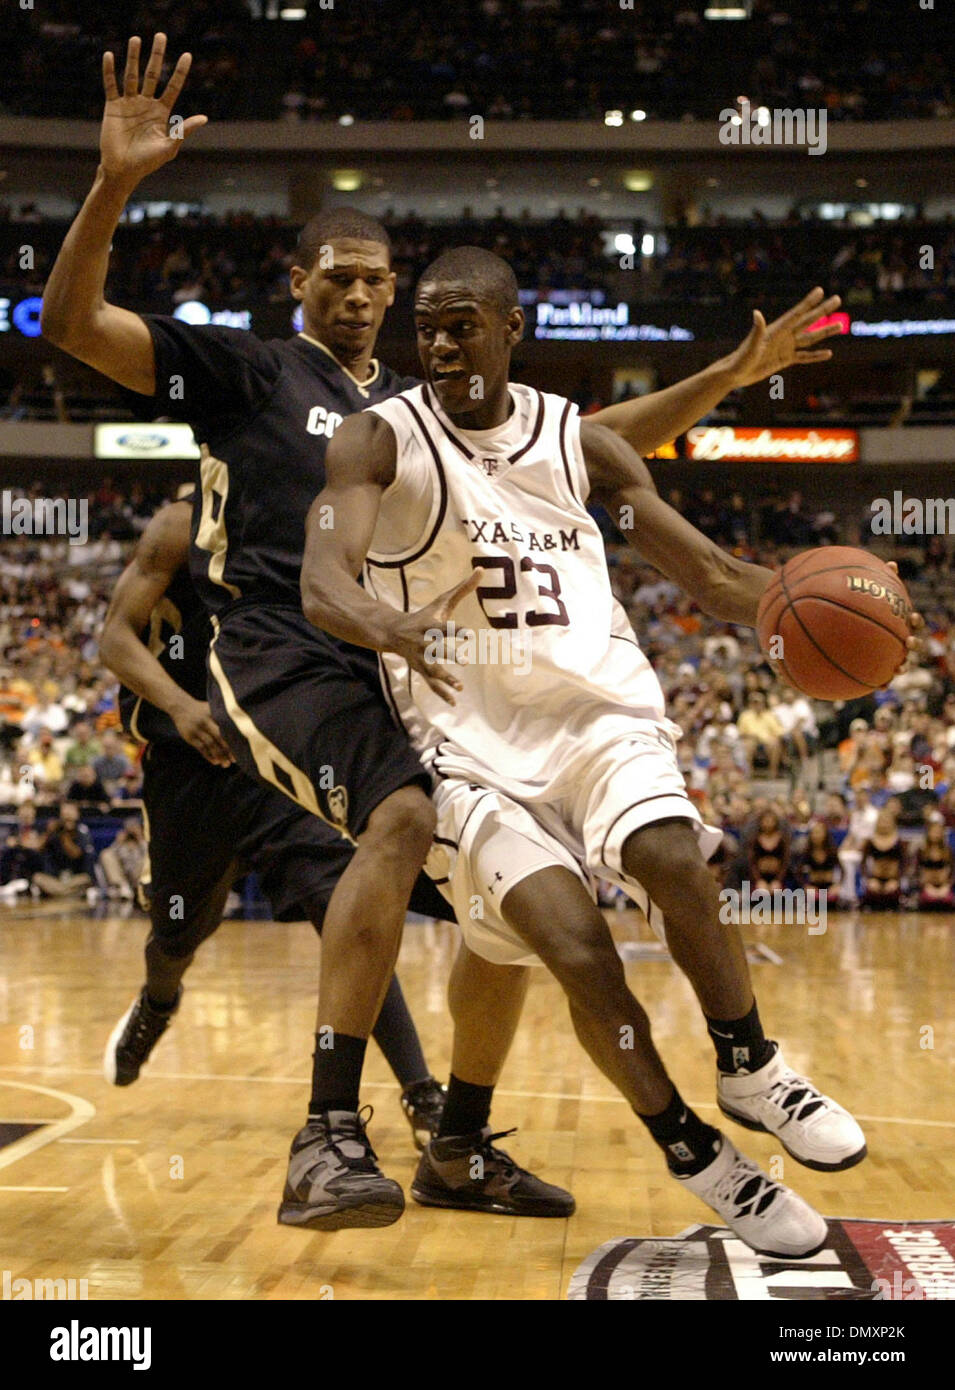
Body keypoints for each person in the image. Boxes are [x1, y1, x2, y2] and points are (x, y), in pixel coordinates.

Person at [42, 32, 844, 1230]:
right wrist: (111, 185)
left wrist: (725, 380)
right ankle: (325, 1133)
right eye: (338, 277)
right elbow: (70, 322)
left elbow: (577, 444)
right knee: (400, 822)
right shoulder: (251, 371)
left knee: (503, 893)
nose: (361, 298)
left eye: (378, 281)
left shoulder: (417, 409)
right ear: (299, 282)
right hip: (276, 646)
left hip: (402, 676)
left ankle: (456, 1137)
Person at [299, 246, 890, 1259]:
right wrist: (383, 626)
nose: (438, 342)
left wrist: (840, 601)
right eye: (426, 326)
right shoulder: (376, 440)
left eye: (460, 323)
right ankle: (697, 1154)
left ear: (510, 327)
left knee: (672, 858)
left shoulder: (579, 445)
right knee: (573, 950)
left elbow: (709, 572)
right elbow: (324, 578)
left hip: (600, 717)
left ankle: (748, 1064)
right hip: (467, 751)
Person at [98, 495, 452, 1175]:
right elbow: (115, 636)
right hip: (185, 763)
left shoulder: (315, 528)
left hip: (274, 752)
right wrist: (180, 705)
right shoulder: (179, 524)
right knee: (177, 931)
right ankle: (159, 999)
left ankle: (421, 1094)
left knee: (342, 908)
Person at [861, 810, 905, 910]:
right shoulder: (870, 841)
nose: (884, 824)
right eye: (882, 821)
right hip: (875, 878)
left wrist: (897, 881)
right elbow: (862, 863)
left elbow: (905, 863)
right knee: (871, 894)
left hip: (893, 879)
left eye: (887, 821)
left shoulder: (899, 841)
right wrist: (868, 879)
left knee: (893, 895)